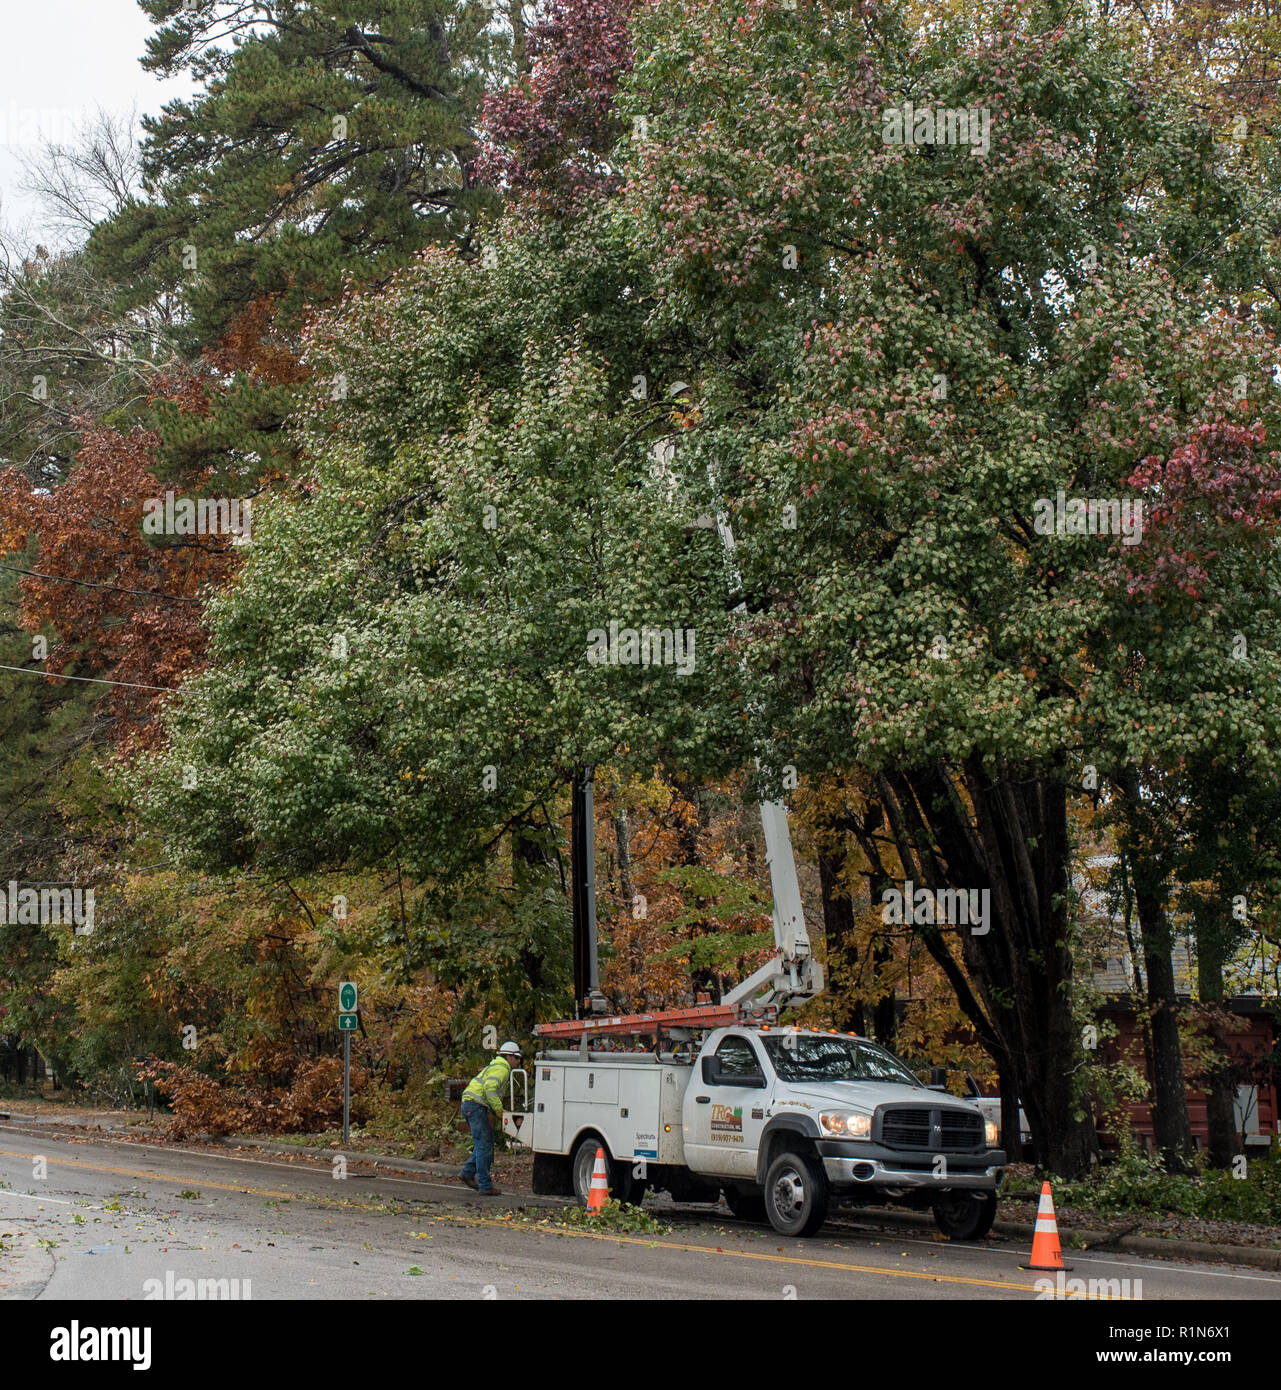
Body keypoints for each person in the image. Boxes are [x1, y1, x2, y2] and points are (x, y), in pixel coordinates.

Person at [459, 1041, 522, 1195]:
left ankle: (468, 1172)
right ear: (509, 1056)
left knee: (484, 1142)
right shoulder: (502, 1069)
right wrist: (499, 1110)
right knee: (484, 1145)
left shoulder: (497, 1065)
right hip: (475, 1106)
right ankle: (485, 1185)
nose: (518, 1061)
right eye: (516, 1057)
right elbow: (489, 1089)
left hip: (471, 1105)